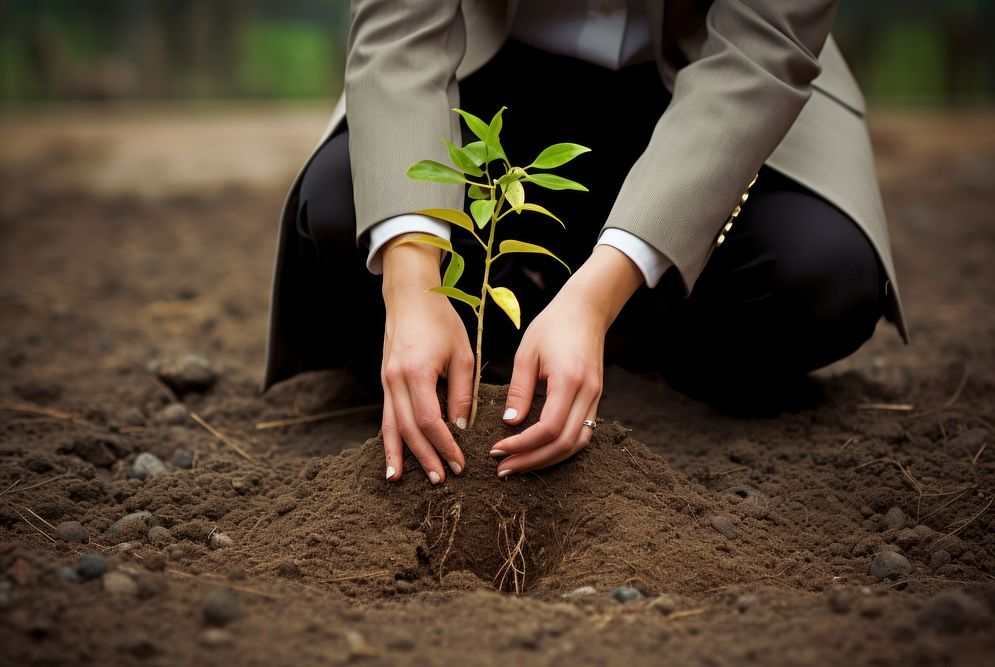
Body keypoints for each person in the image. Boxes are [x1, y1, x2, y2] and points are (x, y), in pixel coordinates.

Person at [263, 0, 908, 485]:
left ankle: (619, 329)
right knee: (346, 205)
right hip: (483, 69)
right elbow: (400, 29)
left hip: (708, 85)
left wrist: (598, 298)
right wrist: (413, 284)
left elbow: (764, 49)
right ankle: (489, 344)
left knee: (819, 275)